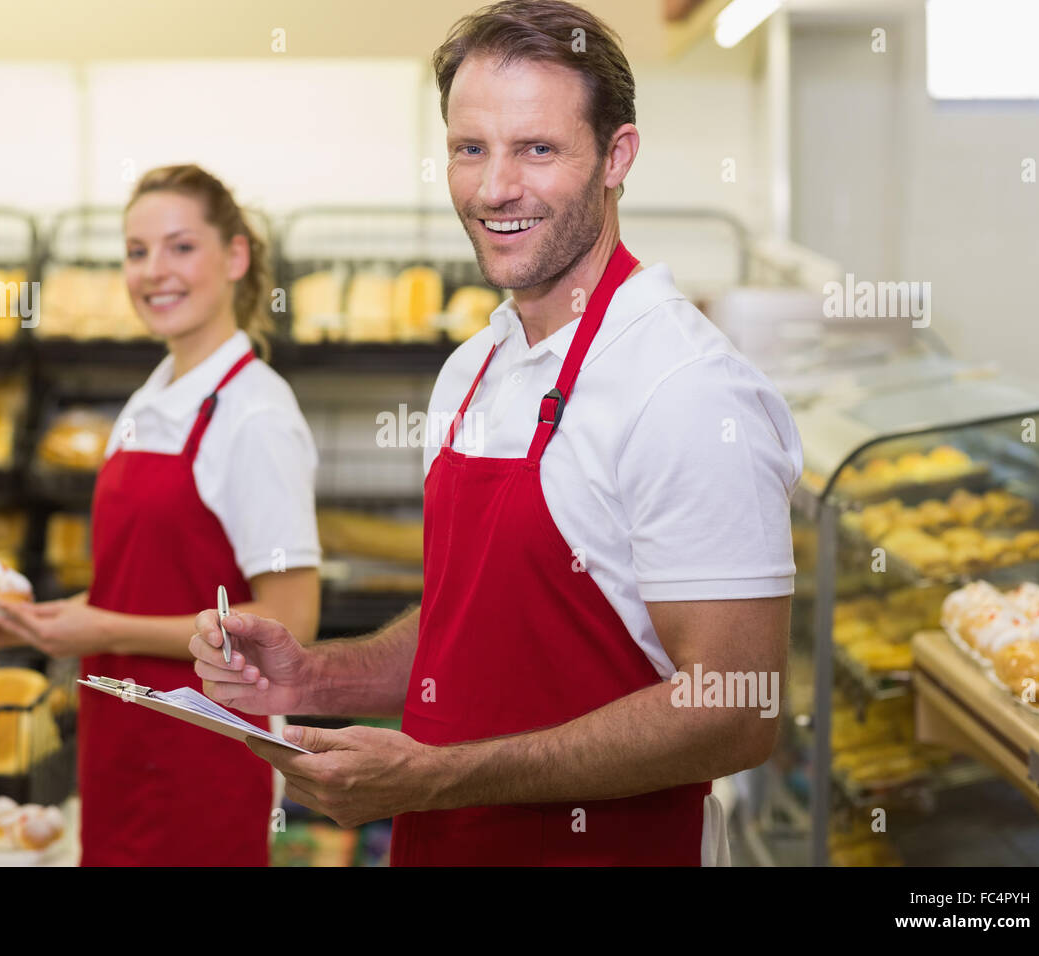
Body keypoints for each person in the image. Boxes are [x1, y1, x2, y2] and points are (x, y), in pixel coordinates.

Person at [190, 0, 802, 867]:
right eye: (469, 149)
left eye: (537, 150)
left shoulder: (687, 389)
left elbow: (736, 710)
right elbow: (465, 626)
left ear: (616, 157)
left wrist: (440, 777)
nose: (493, 188)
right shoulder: (474, 365)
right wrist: (314, 677)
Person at [0, 164, 321, 866]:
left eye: (181, 246)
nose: (155, 270)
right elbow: (145, 585)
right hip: (121, 746)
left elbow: (288, 621)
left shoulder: (256, 415)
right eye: (136, 251)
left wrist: (105, 628)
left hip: (203, 759)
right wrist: (12, 620)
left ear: (236, 256)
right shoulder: (150, 401)